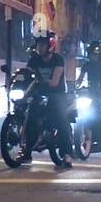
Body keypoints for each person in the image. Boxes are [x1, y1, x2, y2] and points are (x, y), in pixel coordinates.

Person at [26, 32, 73, 168]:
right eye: (38, 44)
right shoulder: (34, 59)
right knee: (29, 116)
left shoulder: (58, 60)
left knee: (61, 119)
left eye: (43, 44)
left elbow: (54, 82)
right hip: (39, 93)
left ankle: (67, 154)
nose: (39, 47)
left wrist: (40, 81)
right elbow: (27, 74)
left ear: (50, 45)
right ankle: (26, 151)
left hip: (56, 94)